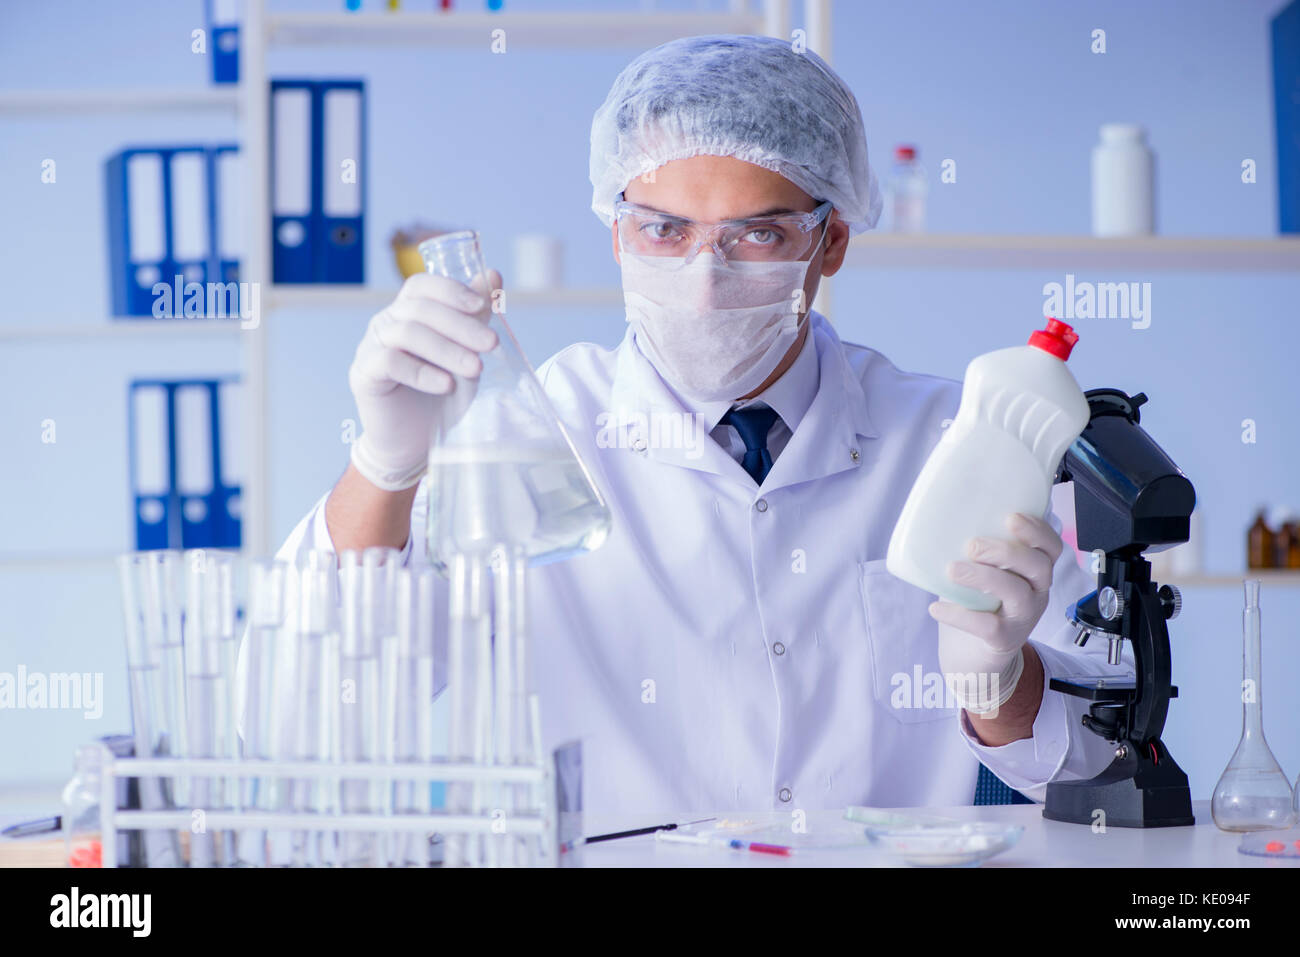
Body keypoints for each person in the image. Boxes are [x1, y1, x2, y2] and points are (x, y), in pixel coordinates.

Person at [265, 34, 1126, 814]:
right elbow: (300, 724)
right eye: (664, 230)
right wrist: (384, 464)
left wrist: (1001, 690)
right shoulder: (527, 434)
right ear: (614, 232)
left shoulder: (951, 436)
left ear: (831, 242)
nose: (704, 279)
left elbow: (1110, 767)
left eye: (755, 234)